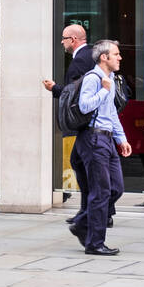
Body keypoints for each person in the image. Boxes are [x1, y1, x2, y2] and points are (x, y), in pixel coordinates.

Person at [74, 40, 132, 255]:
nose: (120, 57)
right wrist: (103, 91)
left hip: (107, 139)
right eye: (116, 54)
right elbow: (84, 105)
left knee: (116, 188)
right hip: (93, 138)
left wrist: (121, 138)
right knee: (101, 192)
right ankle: (95, 243)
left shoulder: (110, 80)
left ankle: (82, 222)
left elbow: (112, 113)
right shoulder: (93, 78)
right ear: (103, 58)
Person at [42, 25, 102, 230]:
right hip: (94, 123)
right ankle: (89, 211)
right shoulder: (93, 54)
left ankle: (93, 212)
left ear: (74, 39)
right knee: (81, 163)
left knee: (83, 166)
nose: (62, 42)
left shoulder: (79, 61)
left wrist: (54, 88)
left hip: (87, 125)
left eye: (64, 38)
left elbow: (74, 94)